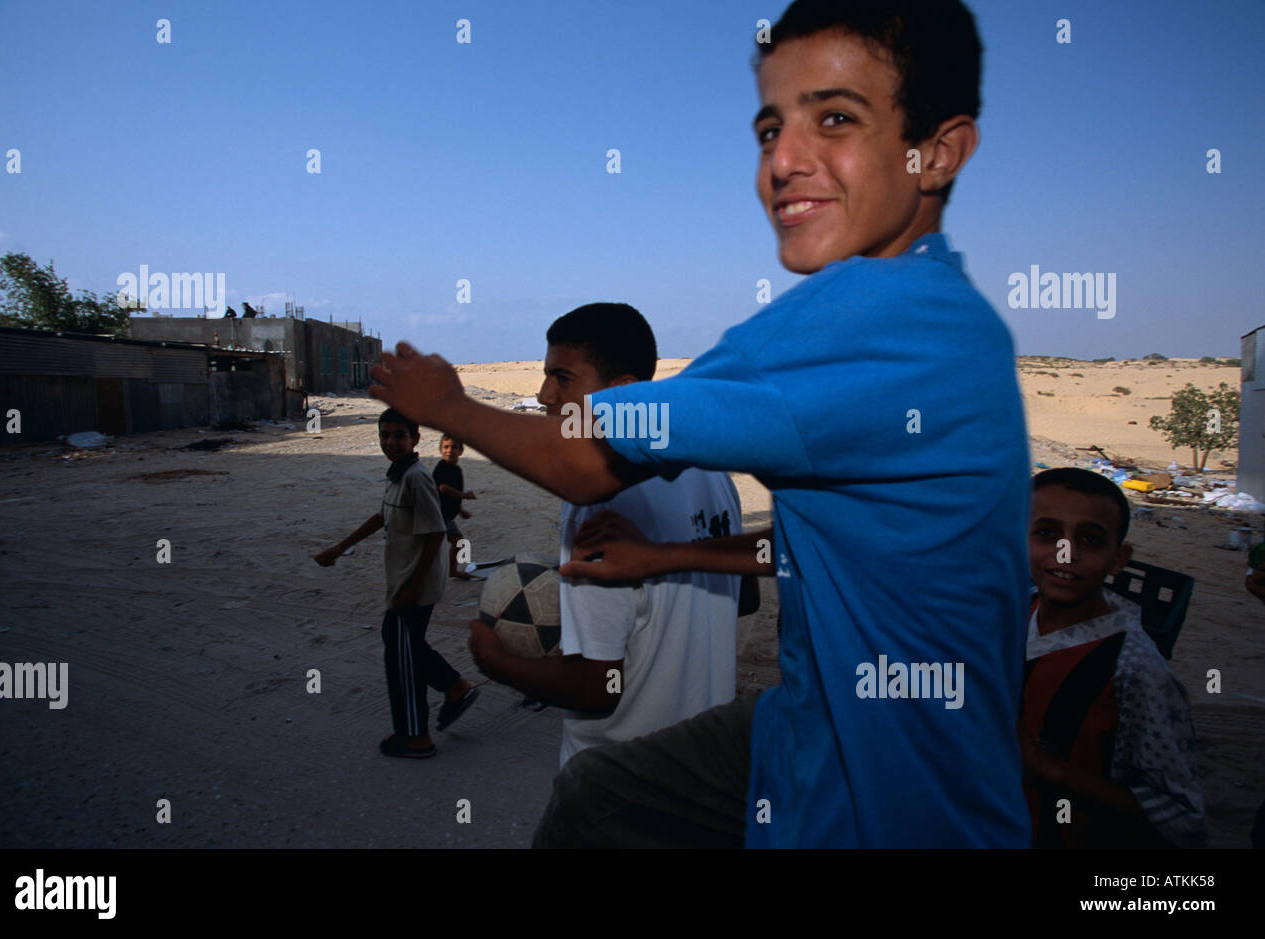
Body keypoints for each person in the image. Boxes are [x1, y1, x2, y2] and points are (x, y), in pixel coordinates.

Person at [370, 0, 1030, 847]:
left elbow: (585, 462)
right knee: (599, 798)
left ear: (937, 150)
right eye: (769, 129)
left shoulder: (861, 316)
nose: (785, 162)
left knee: (591, 800)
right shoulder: (957, 317)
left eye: (835, 118)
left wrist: (449, 406)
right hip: (831, 724)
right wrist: (670, 557)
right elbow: (815, 548)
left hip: (876, 797)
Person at [467, 303, 745, 768]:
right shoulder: (711, 472)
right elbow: (747, 599)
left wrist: (497, 663)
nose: (542, 395)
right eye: (544, 376)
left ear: (625, 393)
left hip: (621, 779)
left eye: (563, 379)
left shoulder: (596, 502)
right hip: (705, 759)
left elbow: (598, 689)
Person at [1020, 468, 1208, 847]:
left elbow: (1183, 820)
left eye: (1089, 539)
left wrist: (1047, 769)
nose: (1065, 553)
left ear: (1118, 558)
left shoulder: (1135, 668)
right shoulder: (1011, 615)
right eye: (1046, 533)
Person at [314, 409, 477, 758]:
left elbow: (435, 534)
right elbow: (381, 516)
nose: (390, 441)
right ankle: (454, 686)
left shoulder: (417, 477)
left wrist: (413, 588)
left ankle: (416, 736)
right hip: (405, 578)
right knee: (404, 643)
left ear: (415, 439)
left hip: (414, 583)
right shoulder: (398, 475)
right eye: (384, 434)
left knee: (401, 655)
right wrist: (340, 548)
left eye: (398, 435)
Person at [433, 435, 476, 580]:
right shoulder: (443, 468)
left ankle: (451, 570)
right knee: (458, 542)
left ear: (461, 451)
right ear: (440, 449)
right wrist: (465, 495)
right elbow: (443, 489)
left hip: (444, 514)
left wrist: (460, 509)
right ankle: (451, 570)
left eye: (454, 447)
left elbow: (450, 496)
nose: (449, 450)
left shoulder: (456, 469)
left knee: (455, 543)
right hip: (438, 515)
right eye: (446, 447)